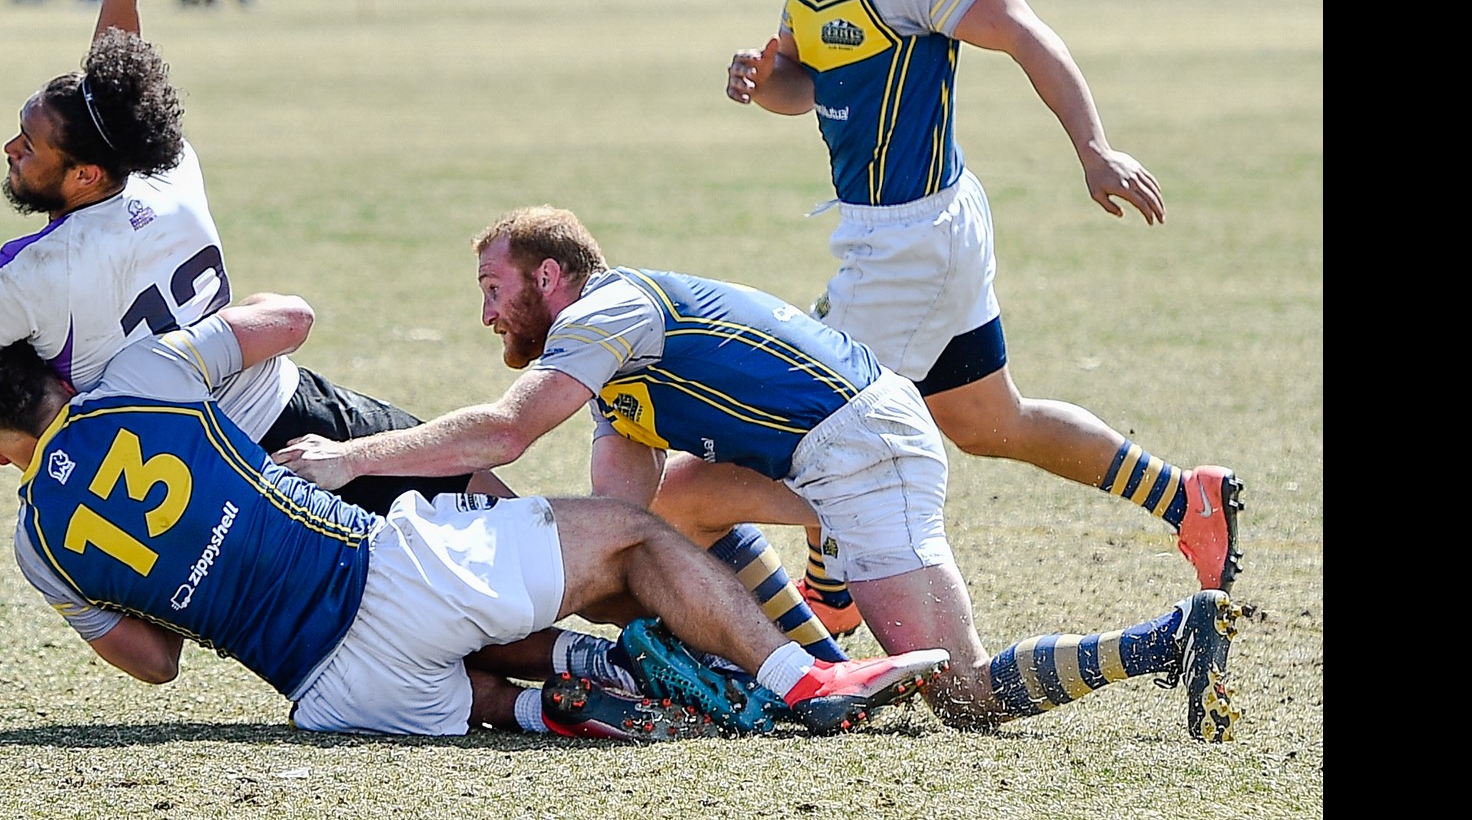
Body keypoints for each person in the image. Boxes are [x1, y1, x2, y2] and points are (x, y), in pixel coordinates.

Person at [0, 0, 849, 666]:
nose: (11, 151)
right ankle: (763, 646)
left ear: (81, 178)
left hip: (236, 466)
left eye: (29, 145)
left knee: (486, 608)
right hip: (302, 401)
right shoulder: (165, 171)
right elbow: (120, 76)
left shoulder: (36, 274)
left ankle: (702, 656)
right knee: (532, 540)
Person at [275, 205, 1248, 742]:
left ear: (550, 277)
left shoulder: (605, 313)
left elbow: (506, 430)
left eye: (494, 288)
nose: (487, 314)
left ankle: (1166, 640)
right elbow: (616, 543)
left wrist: (347, 459)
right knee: (670, 516)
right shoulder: (618, 381)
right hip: (832, 452)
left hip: (866, 451)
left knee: (963, 694)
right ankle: (810, 667)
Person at [709, 0, 1244, 638]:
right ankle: (1189, 500)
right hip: (908, 233)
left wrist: (1094, 148)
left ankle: (830, 610)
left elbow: (1025, 29)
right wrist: (762, 81)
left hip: (913, 242)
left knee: (822, 417)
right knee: (992, 422)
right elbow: (803, 84)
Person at [0, 296, 953, 739]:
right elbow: (289, 320)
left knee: (474, 677)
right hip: (391, 577)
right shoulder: (139, 380)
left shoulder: (38, 549)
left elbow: (155, 664)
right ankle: (803, 678)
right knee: (631, 532)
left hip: (331, 693)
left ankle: (550, 700)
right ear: (59, 378)